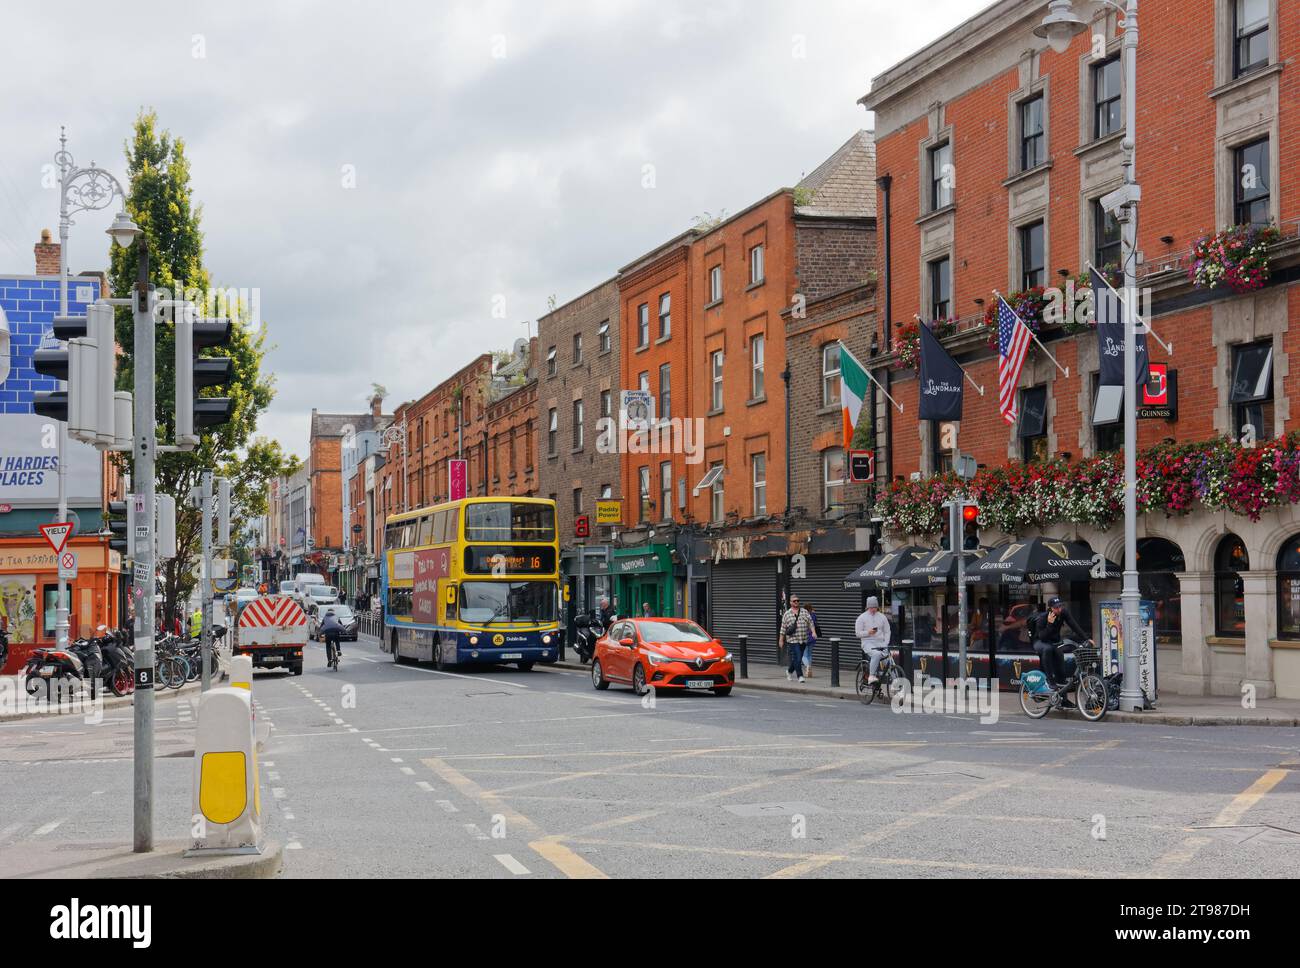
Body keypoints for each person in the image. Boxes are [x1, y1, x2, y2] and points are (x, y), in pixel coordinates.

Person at [1033, 596, 1089, 688]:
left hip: (1054, 642)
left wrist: (1086, 638)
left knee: (1060, 659)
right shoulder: (1043, 617)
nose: (1059, 609)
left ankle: (1062, 693)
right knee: (1048, 649)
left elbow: (1073, 625)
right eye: (1056, 608)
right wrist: (1050, 624)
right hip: (1039, 642)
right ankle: (1050, 681)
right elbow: (1042, 636)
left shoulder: (1063, 613)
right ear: (1050, 608)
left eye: (1060, 606)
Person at [856, 596, 892, 684]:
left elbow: (887, 631)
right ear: (867, 607)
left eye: (875, 607)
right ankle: (871, 676)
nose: (873, 609)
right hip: (867, 642)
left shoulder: (882, 617)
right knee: (877, 654)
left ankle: (897, 683)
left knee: (890, 660)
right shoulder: (861, 618)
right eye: (871, 607)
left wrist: (885, 643)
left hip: (880, 642)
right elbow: (858, 633)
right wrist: (868, 632)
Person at [779, 595, 813, 683]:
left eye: (797, 601)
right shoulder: (787, 614)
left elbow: (810, 623)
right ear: (790, 602)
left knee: (798, 658)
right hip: (792, 640)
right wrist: (781, 640)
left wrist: (814, 632)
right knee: (798, 657)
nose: (796, 602)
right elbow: (783, 628)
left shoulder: (804, 612)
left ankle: (789, 671)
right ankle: (800, 676)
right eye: (794, 601)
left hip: (803, 639)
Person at [803, 604, 820, 678]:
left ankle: (807, 667)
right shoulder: (813, 615)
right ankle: (809, 670)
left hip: (804, 637)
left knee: (803, 655)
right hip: (812, 637)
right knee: (809, 654)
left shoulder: (803, 616)